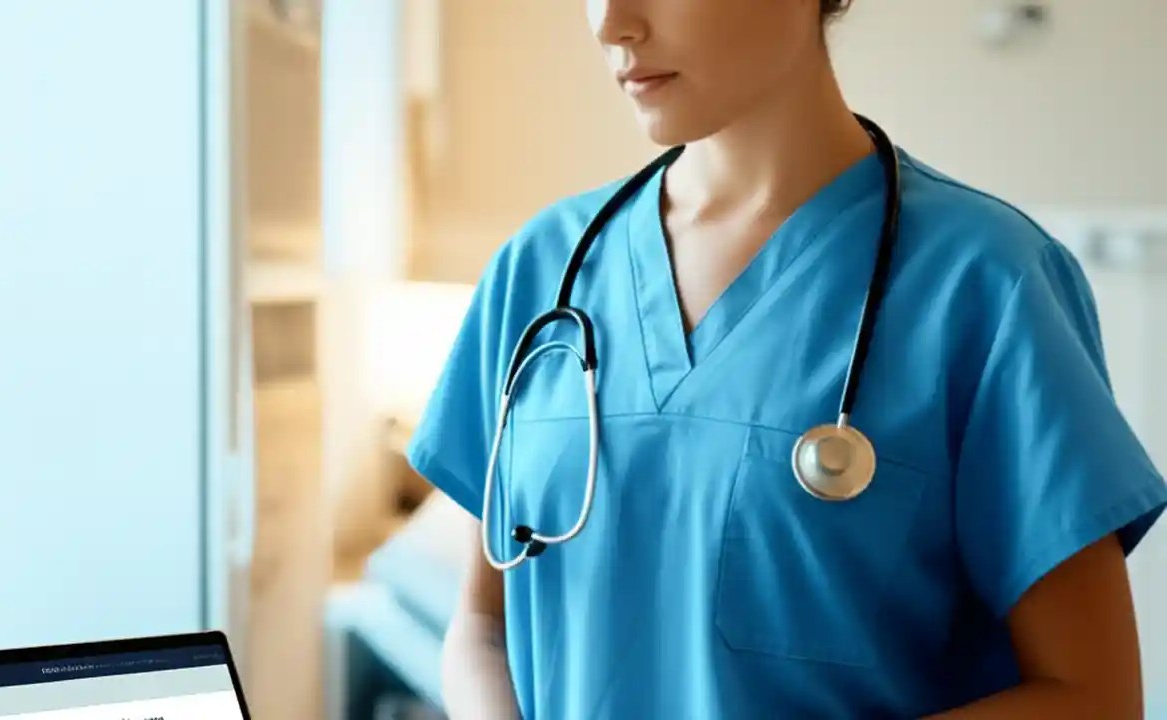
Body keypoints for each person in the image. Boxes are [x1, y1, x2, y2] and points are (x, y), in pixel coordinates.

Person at [405, 0, 1167, 717]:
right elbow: (482, 625)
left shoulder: (986, 285)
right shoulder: (543, 268)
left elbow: (1091, 697)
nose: (612, 23)